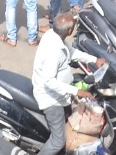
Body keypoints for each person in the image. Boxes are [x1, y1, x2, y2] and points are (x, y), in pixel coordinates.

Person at [31, 14, 93, 155]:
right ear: (69, 31)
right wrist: (77, 91)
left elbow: (72, 52)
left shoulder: (53, 36)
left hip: (59, 94)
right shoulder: (55, 52)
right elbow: (49, 81)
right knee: (58, 141)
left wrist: (94, 60)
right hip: (51, 99)